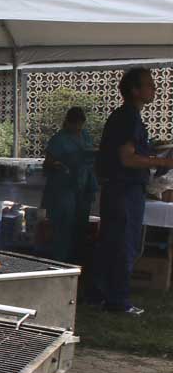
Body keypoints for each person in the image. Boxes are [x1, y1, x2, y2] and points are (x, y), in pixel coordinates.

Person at [90, 68, 173, 314]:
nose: (154, 89)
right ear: (135, 91)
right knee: (123, 245)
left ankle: (98, 295)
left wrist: (154, 157)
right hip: (124, 189)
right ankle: (118, 301)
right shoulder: (127, 118)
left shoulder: (127, 116)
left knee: (111, 242)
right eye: (149, 85)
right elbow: (127, 159)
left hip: (122, 188)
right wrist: (162, 163)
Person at [41, 107, 97, 264]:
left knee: (80, 225)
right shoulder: (59, 139)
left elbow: (90, 153)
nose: (78, 128)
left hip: (83, 186)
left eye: (81, 125)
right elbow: (48, 163)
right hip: (63, 187)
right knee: (63, 225)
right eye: (75, 125)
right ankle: (60, 262)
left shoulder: (85, 135)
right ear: (68, 122)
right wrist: (59, 165)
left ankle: (77, 261)